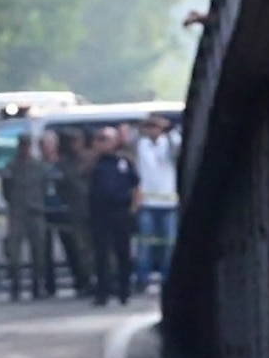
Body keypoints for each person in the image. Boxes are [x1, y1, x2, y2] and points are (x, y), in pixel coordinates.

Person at [86, 126, 142, 306]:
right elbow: (83, 175)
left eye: (107, 139)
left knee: (123, 253)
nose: (104, 143)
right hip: (100, 213)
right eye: (101, 139)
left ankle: (124, 291)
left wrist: (133, 209)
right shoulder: (95, 162)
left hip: (120, 212)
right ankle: (102, 293)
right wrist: (94, 154)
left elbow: (135, 186)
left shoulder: (124, 161)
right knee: (101, 254)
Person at [131, 115, 179, 291]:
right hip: (147, 203)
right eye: (150, 127)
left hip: (169, 202)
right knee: (145, 243)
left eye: (156, 127)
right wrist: (143, 124)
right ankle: (142, 278)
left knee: (169, 243)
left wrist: (168, 127)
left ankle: (168, 277)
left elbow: (179, 146)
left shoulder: (169, 143)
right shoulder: (141, 145)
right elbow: (130, 139)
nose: (153, 130)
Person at [1, 127, 50, 300]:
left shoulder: (39, 167)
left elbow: (44, 188)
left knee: (38, 251)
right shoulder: (11, 166)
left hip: (35, 212)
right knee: (14, 253)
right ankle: (16, 287)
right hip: (17, 213)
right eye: (22, 145)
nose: (24, 148)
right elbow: (5, 190)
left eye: (27, 145)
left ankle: (37, 286)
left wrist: (37, 203)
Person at [53, 129, 94, 299]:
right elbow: (63, 186)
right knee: (79, 250)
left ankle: (99, 280)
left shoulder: (91, 159)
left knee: (94, 249)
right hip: (74, 212)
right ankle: (84, 282)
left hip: (93, 211)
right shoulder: (64, 164)